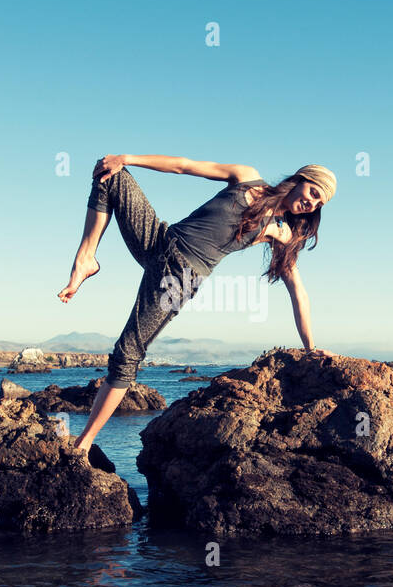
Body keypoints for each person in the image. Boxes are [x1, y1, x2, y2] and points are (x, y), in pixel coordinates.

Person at [57, 154, 337, 451]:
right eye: (314, 193)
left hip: (180, 276)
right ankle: (86, 258)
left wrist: (310, 348)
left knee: (127, 354)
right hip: (161, 240)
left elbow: (298, 291)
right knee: (111, 172)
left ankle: (84, 443)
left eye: (319, 204)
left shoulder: (280, 231)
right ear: (300, 180)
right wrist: (127, 158)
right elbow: (184, 166)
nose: (312, 204)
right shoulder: (246, 176)